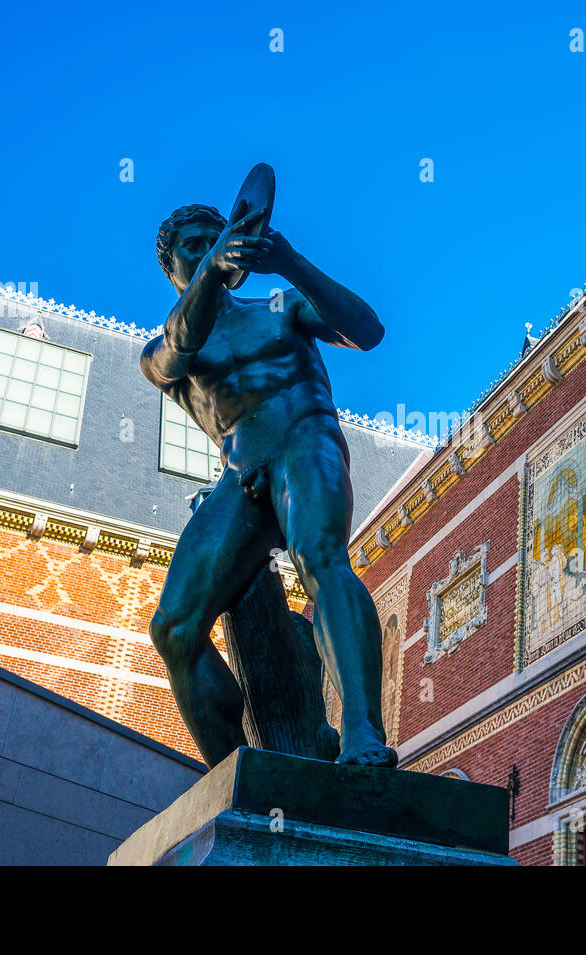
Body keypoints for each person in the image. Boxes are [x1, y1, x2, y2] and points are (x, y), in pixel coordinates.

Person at [141, 201, 396, 769]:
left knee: (321, 557)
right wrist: (212, 268)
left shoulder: (280, 308)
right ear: (171, 266)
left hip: (305, 441)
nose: (209, 248)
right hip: (241, 474)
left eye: (218, 237)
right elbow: (175, 352)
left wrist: (290, 261)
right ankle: (235, 775)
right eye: (194, 245)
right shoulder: (163, 349)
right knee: (174, 629)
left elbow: (368, 330)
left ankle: (361, 731)